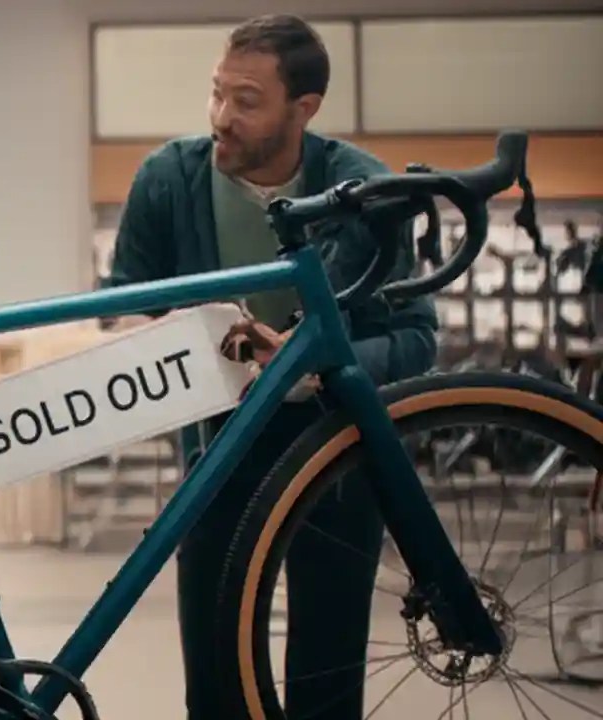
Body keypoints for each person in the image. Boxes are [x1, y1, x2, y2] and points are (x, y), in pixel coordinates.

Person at [105, 15, 439, 719]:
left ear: (304, 108)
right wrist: (188, 342)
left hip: (335, 450)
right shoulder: (169, 180)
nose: (223, 117)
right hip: (218, 451)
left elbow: (412, 340)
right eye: (216, 93)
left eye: (247, 101)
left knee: (327, 678)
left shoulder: (362, 191)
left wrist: (313, 365)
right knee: (217, 676)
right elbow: (121, 310)